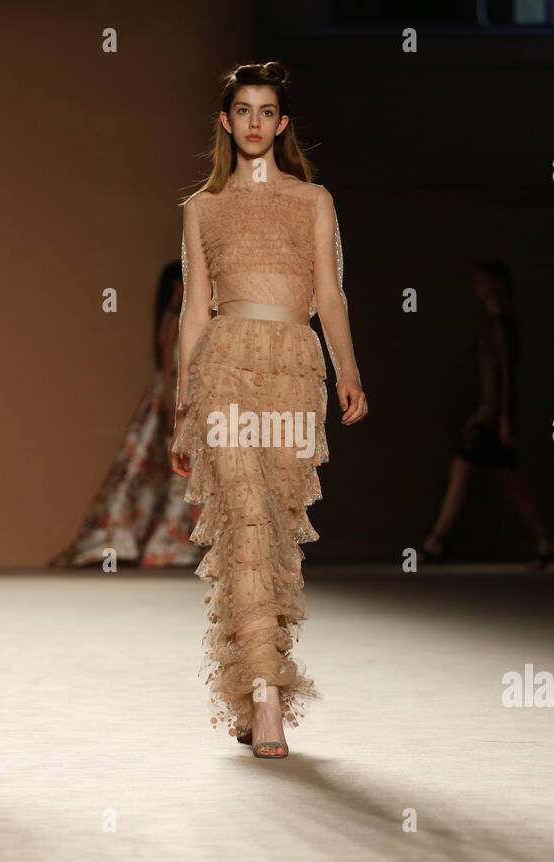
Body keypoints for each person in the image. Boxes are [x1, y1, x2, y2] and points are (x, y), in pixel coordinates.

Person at [170, 61, 368, 758]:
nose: (254, 122)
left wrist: (350, 372)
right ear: (226, 123)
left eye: (266, 111)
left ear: (281, 125)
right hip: (224, 364)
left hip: (294, 368)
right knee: (245, 524)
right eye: (242, 110)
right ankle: (266, 697)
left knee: (276, 536)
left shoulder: (314, 201)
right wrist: (180, 404)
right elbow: (194, 314)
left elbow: (332, 295)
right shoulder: (201, 208)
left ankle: (254, 685)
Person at [52, 263, 204, 567]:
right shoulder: (174, 322)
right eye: (179, 290)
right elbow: (167, 367)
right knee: (154, 475)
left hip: (186, 404)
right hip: (172, 404)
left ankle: (174, 541)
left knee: (173, 479)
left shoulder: (190, 322)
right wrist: (174, 409)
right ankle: (162, 542)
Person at [421, 261, 554, 568]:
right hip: (488, 413)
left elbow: (508, 374)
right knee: (506, 478)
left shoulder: (500, 325)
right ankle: (546, 540)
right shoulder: (494, 324)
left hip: (494, 416)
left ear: (495, 285)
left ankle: (436, 541)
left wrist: (504, 417)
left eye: (482, 281)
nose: (476, 287)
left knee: (464, 468)